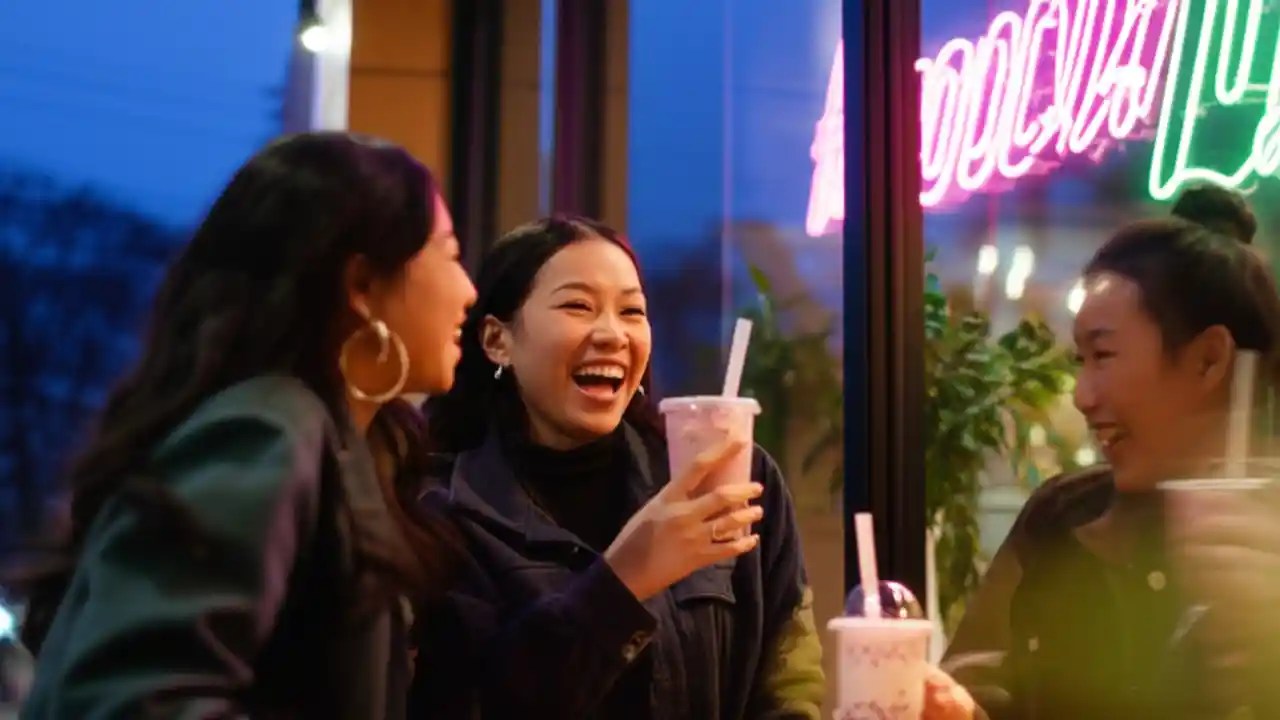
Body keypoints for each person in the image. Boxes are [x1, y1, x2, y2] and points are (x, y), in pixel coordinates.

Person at [16, 131, 476, 719]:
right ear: (360, 285)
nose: (469, 292)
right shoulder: (269, 427)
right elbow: (136, 701)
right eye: (451, 252)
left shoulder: (350, 446)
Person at [410, 216, 825, 719]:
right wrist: (621, 582)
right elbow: (464, 703)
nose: (612, 333)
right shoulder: (441, 511)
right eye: (577, 306)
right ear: (499, 340)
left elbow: (789, 688)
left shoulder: (733, 477)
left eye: (632, 311)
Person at [936, 187, 1280, 719]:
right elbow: (978, 685)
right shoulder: (1065, 515)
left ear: (1209, 361)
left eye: (1103, 355)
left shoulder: (1263, 543)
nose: (1081, 394)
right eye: (1081, 359)